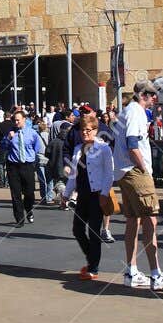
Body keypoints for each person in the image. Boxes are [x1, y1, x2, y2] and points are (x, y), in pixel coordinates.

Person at [112, 80, 163, 291]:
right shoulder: (136, 113)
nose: (154, 99)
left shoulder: (127, 111)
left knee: (134, 221)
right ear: (143, 95)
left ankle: (131, 271)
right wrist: (145, 169)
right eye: (152, 95)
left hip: (125, 173)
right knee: (151, 220)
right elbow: (133, 145)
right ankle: (155, 274)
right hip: (136, 172)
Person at [62, 109, 115, 280]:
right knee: (77, 229)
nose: (85, 133)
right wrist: (66, 194)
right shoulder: (78, 149)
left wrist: (105, 193)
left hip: (97, 194)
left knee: (94, 232)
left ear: (95, 130)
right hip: (82, 194)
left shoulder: (104, 148)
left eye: (89, 130)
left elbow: (109, 173)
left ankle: (94, 268)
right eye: (83, 130)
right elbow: (73, 175)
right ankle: (91, 257)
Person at [2, 108, 43, 225]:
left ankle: (29, 209)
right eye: (14, 121)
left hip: (27, 165)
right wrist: (8, 138)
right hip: (13, 166)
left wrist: (32, 159)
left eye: (18, 120)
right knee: (16, 193)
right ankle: (19, 218)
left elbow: (36, 147)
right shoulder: (10, 133)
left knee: (29, 192)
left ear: (24, 119)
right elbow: (3, 147)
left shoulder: (32, 133)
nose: (16, 123)